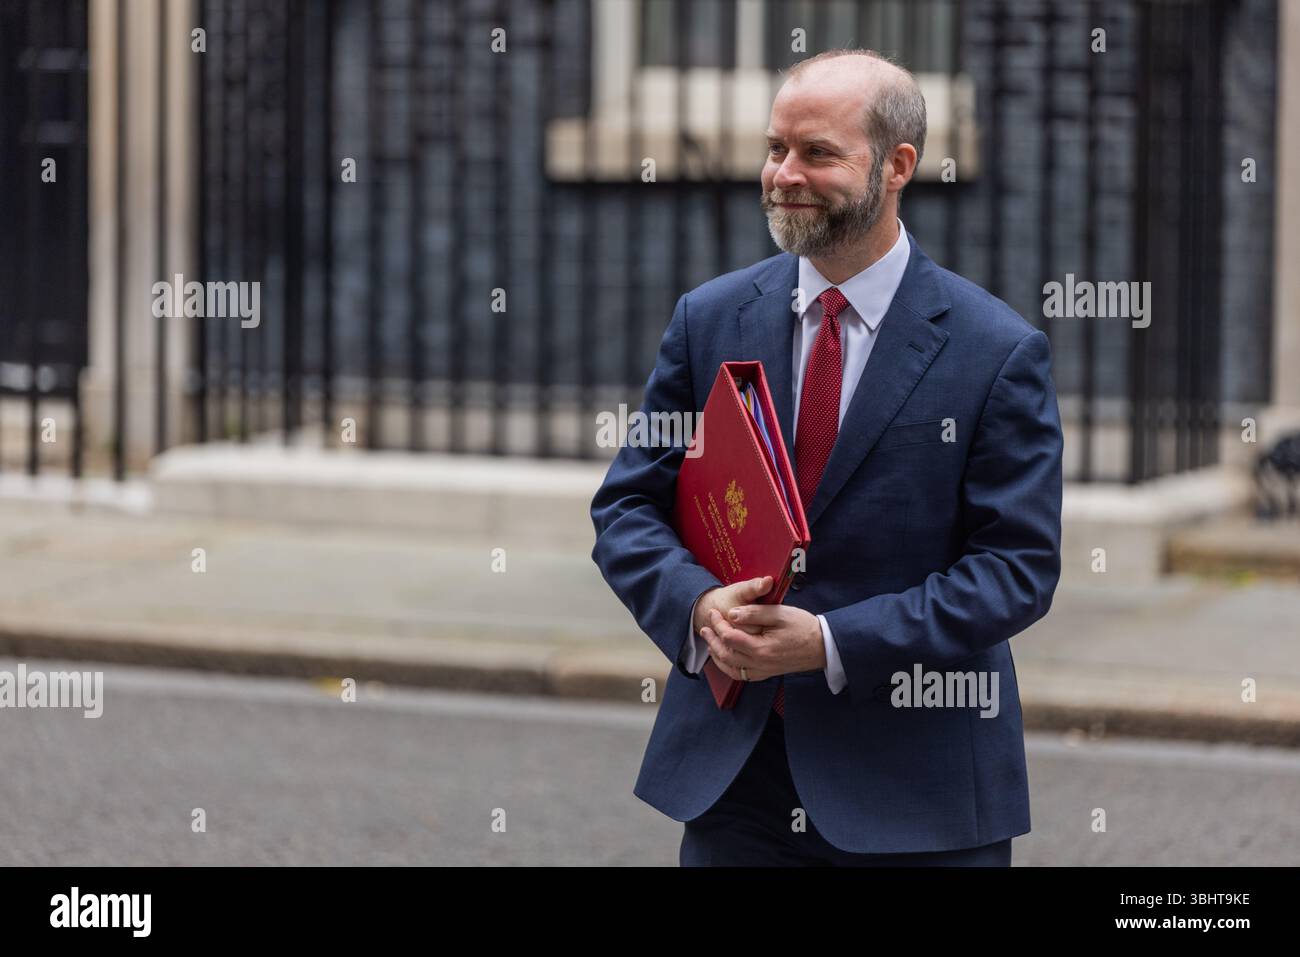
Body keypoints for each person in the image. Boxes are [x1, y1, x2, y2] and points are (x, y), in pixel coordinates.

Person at [590, 49, 1063, 866]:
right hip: (738, 780)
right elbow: (628, 507)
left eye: (817, 153)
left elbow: (1015, 568)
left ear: (896, 166)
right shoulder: (710, 318)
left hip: (918, 794)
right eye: (776, 148)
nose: (784, 174)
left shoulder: (997, 351)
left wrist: (830, 642)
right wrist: (699, 608)